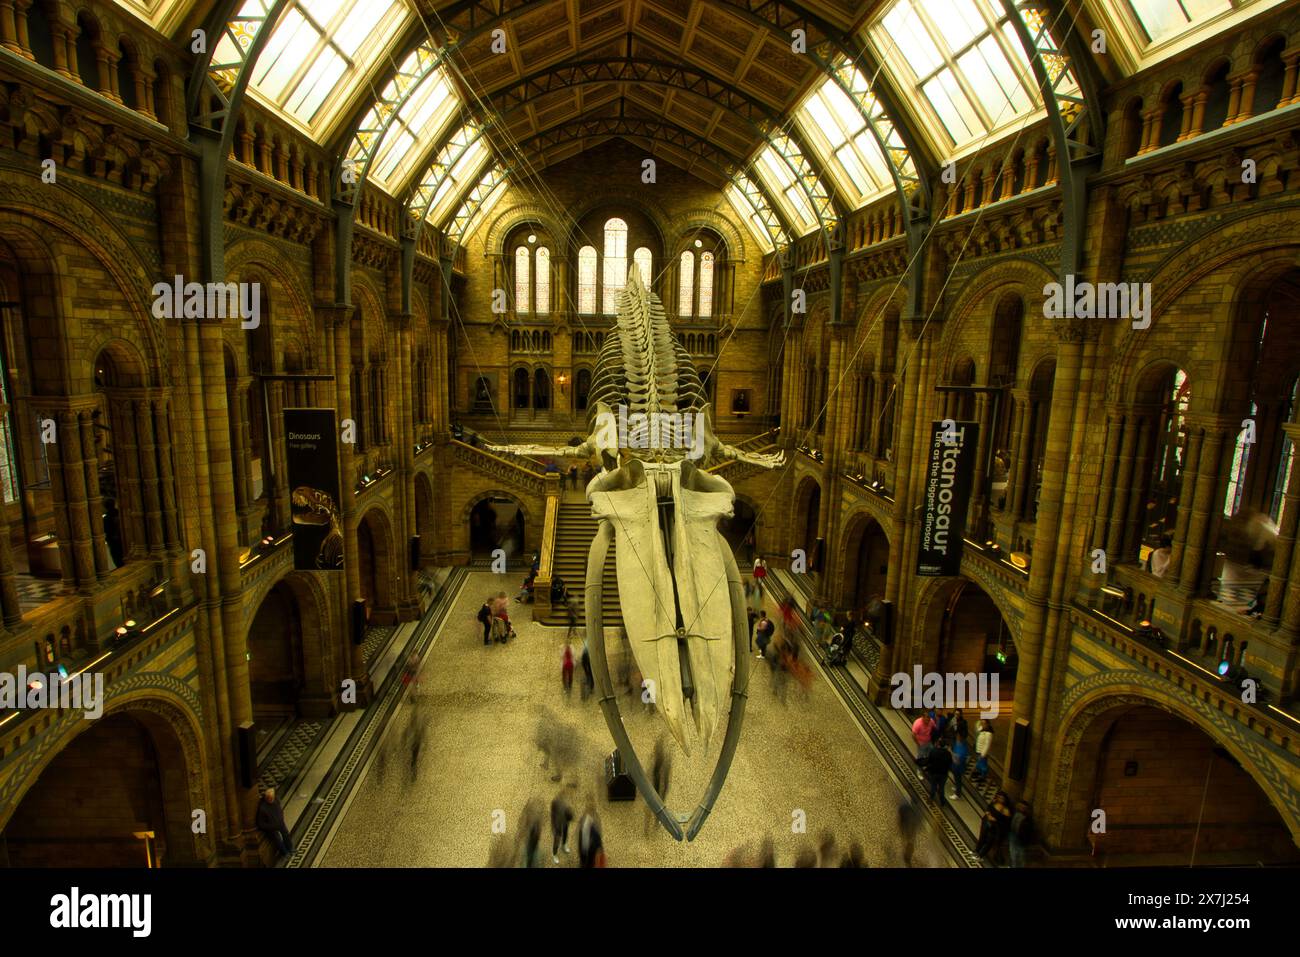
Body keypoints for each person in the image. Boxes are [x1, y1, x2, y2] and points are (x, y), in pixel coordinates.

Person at [256, 787, 293, 858]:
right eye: (271, 799)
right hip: (272, 828)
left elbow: (279, 808)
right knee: (278, 840)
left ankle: (290, 848)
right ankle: (285, 853)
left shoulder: (275, 800)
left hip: (280, 823)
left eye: (273, 798)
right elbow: (261, 824)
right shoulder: (262, 809)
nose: (272, 800)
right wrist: (271, 826)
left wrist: (281, 817)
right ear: (267, 798)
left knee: (286, 834)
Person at [925, 739, 953, 805]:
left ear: (938, 744)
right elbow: (950, 764)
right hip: (943, 774)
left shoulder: (933, 751)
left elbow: (929, 761)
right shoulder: (948, 754)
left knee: (933, 786)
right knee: (941, 787)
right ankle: (942, 801)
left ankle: (931, 798)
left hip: (934, 772)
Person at [1008, 800, 1034, 868]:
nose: (1022, 808)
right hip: (1012, 835)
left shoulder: (1027, 818)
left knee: (1021, 855)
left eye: (1024, 807)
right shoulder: (1014, 813)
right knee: (1012, 854)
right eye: (1020, 807)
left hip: (1021, 838)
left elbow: (1029, 830)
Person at [550, 795, 574, 864]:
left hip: (564, 821)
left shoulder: (568, 809)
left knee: (566, 832)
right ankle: (554, 854)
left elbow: (569, 819)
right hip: (558, 822)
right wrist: (555, 830)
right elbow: (554, 821)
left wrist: (567, 823)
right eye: (568, 820)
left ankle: (564, 845)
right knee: (557, 839)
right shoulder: (559, 817)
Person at [973, 718, 994, 782]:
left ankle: (983, 777)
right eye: (982, 724)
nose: (983, 725)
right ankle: (979, 772)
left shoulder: (988, 734)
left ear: (987, 724)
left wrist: (983, 754)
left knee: (983, 764)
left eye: (984, 724)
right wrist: (979, 723)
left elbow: (987, 745)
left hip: (982, 752)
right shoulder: (982, 730)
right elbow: (977, 729)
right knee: (980, 762)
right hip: (979, 750)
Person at [951, 730, 970, 798]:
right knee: (956, 778)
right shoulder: (959, 743)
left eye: (958, 735)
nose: (957, 736)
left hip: (958, 767)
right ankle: (956, 787)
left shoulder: (962, 749)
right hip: (955, 765)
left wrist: (952, 754)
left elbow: (958, 761)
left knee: (958, 779)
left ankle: (957, 794)